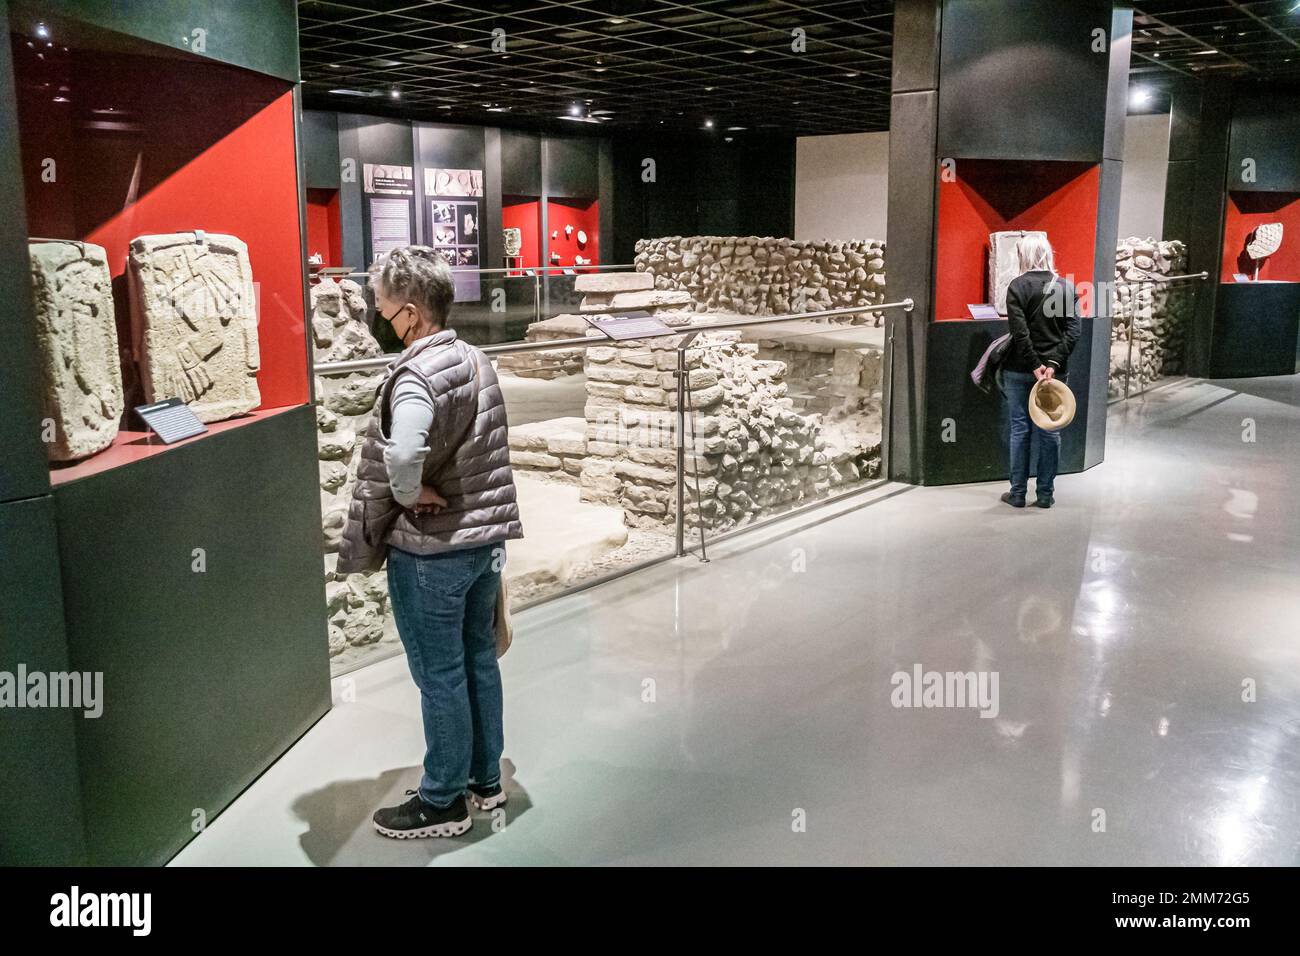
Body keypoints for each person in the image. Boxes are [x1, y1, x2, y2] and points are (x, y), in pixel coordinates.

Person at [336, 246, 523, 838]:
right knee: (476, 661)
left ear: (412, 313)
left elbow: (406, 448)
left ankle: (442, 799)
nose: (378, 316)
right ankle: (483, 781)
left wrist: (409, 492)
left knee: (439, 675)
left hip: (434, 551)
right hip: (482, 545)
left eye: (383, 307)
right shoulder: (473, 359)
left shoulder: (416, 375)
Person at [1000, 235, 1080, 510]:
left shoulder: (1017, 287)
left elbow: (1019, 333)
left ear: (1023, 255)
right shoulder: (1066, 287)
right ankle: (1045, 494)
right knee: (1050, 431)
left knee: (1020, 429)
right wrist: (1053, 364)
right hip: (1055, 375)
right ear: (1047, 254)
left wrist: (1034, 364)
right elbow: (1073, 331)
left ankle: (1018, 493)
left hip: (1020, 368)